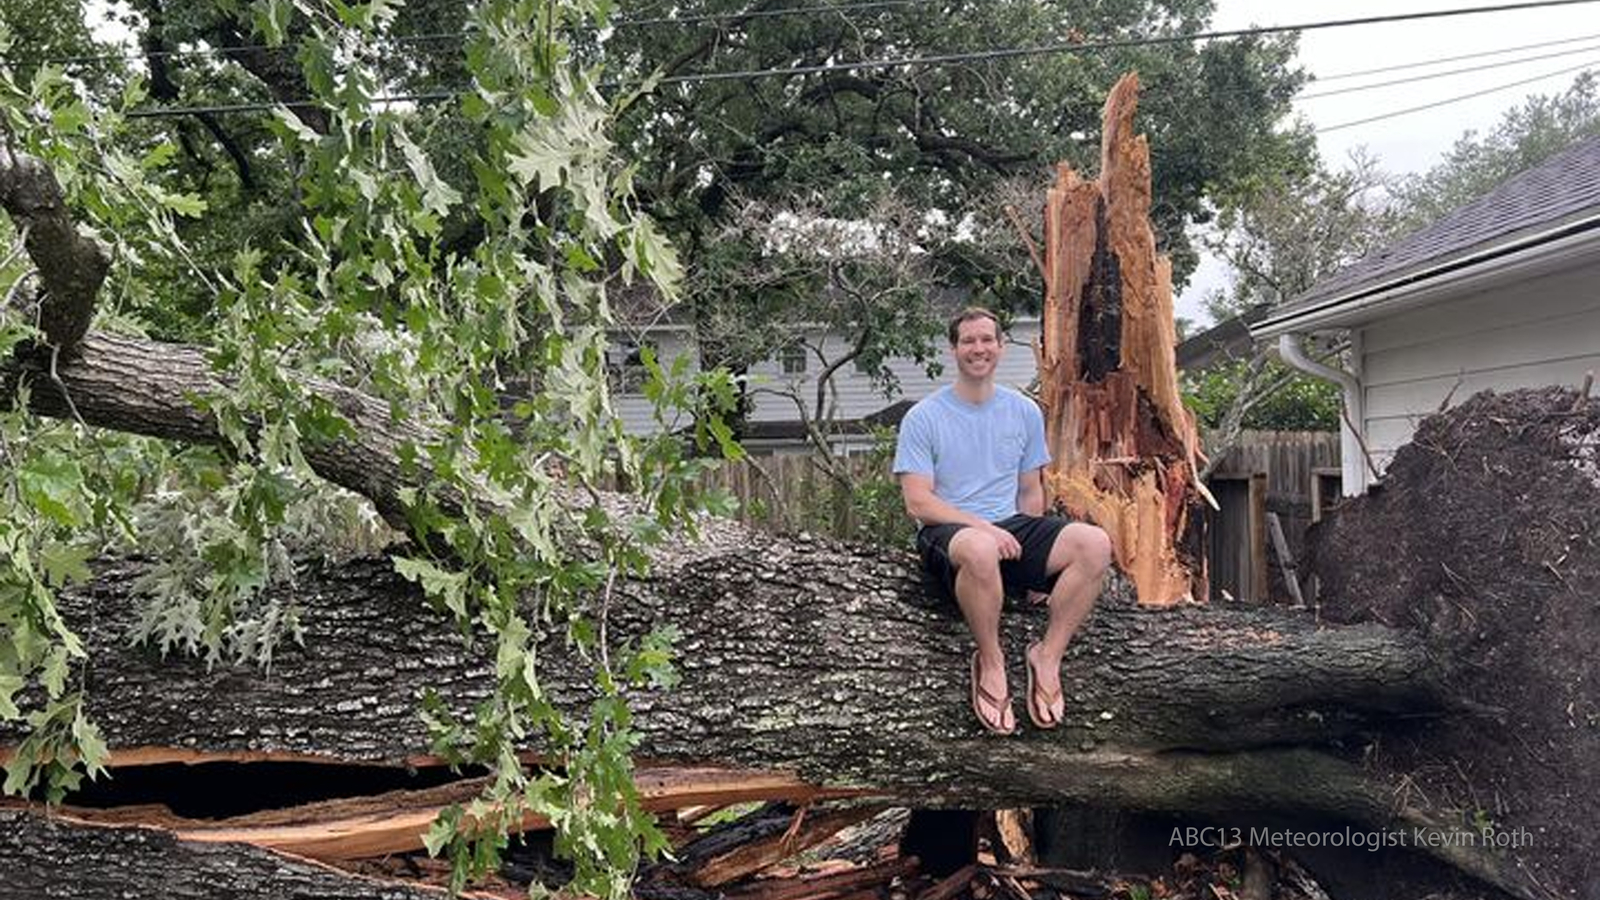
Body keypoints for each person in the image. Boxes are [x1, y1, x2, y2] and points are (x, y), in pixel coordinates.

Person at [893, 307, 1112, 734]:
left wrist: (1029, 567)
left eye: (986, 340)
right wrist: (984, 529)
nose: (979, 349)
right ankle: (991, 662)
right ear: (953, 349)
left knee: (1096, 544)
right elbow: (918, 502)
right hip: (949, 533)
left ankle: (1046, 657)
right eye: (969, 341)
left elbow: (1030, 491)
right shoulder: (924, 417)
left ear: (1001, 346)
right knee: (979, 547)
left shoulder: (1023, 411)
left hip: (1008, 526)